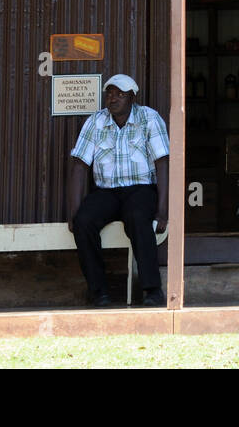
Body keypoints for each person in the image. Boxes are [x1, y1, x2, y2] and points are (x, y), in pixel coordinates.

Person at [67, 74, 170, 307]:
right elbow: (80, 166)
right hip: (107, 192)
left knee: (137, 217)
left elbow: (163, 163)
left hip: (141, 189)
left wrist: (163, 211)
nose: (113, 98)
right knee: (84, 222)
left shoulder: (149, 118)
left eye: (119, 94)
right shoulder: (96, 122)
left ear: (132, 97)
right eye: (109, 93)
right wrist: (73, 211)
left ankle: (153, 291)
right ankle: (98, 292)